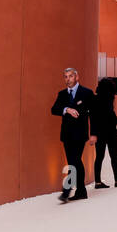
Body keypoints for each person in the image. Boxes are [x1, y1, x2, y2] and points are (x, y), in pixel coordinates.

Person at [51, 67, 96, 202]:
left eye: (70, 76)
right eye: (65, 77)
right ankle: (81, 191)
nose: (68, 79)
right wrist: (67, 109)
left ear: (77, 77)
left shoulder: (87, 93)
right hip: (66, 135)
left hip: (80, 134)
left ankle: (67, 190)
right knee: (74, 162)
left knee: (75, 160)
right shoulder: (62, 94)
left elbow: (94, 114)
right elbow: (54, 109)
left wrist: (94, 133)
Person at [93, 77, 117, 188]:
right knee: (114, 155)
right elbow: (109, 111)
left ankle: (97, 182)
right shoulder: (109, 97)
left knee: (99, 156)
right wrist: (116, 121)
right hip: (110, 131)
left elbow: (96, 114)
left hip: (99, 131)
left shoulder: (95, 98)